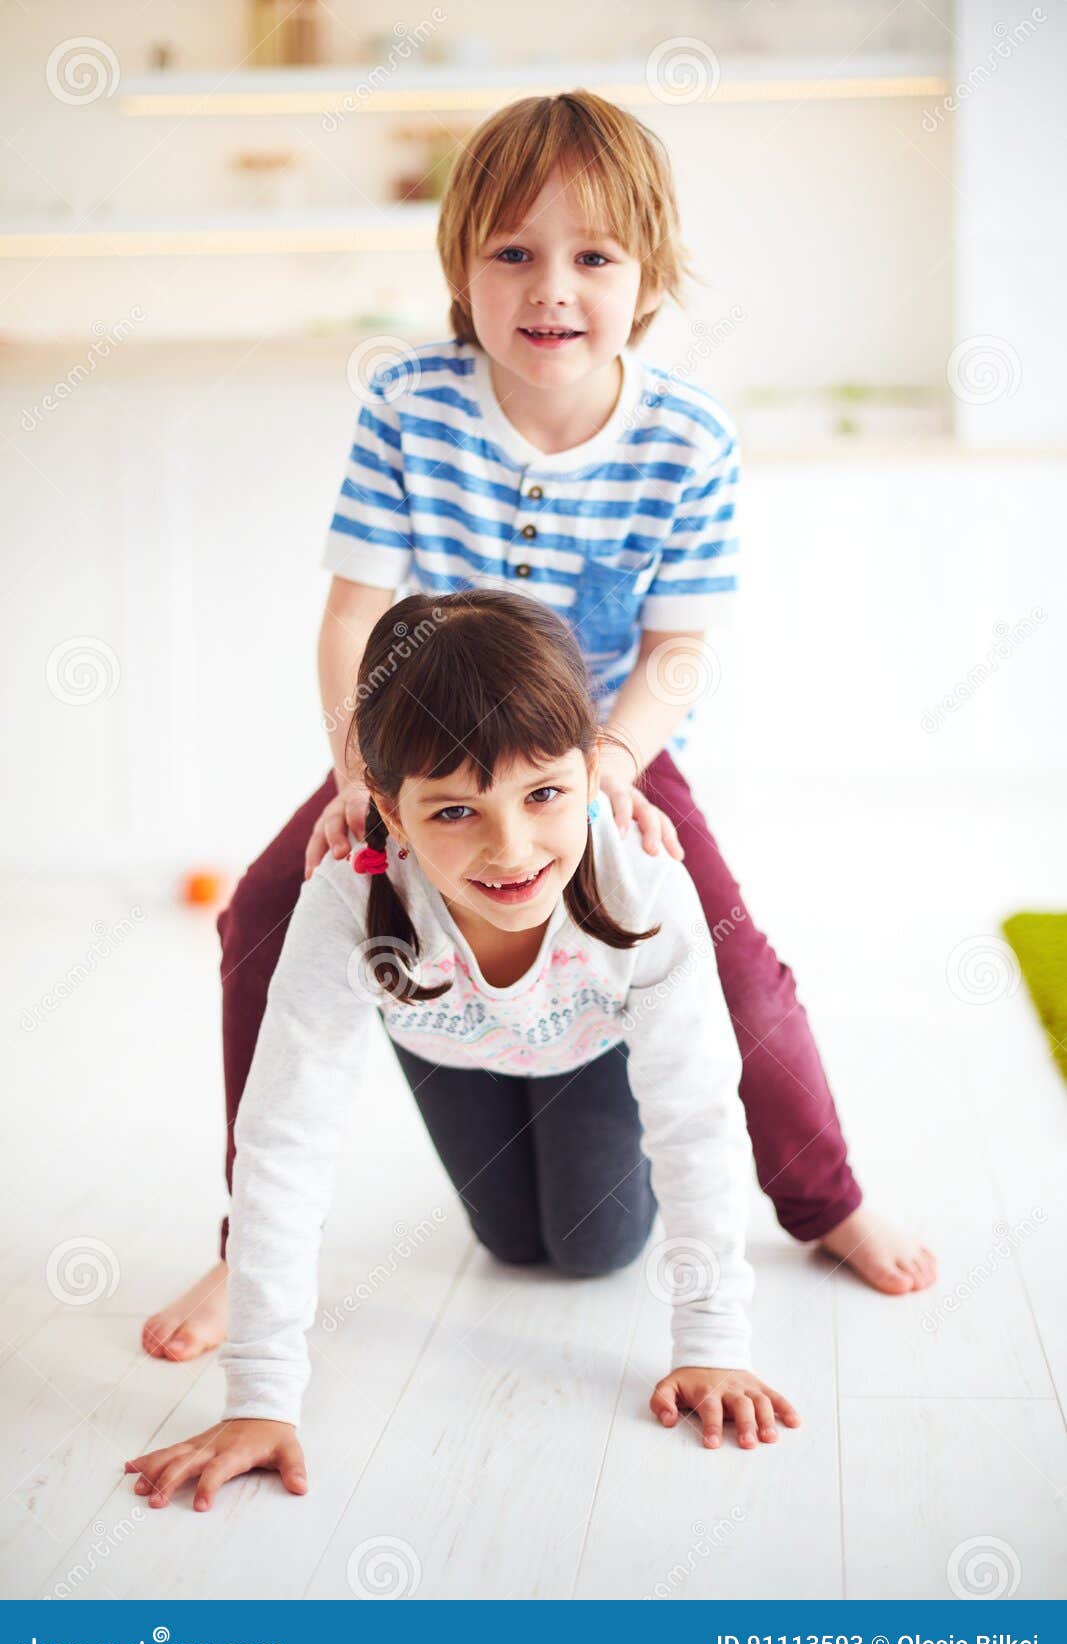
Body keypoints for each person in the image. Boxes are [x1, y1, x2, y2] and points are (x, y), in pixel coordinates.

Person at [141, 88, 933, 1370]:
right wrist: (360, 773)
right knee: (259, 917)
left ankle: (824, 1196)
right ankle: (247, 1246)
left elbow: (676, 649)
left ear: (649, 277)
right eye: (510, 251)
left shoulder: (686, 438)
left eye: (591, 256)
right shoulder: (410, 402)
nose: (548, 286)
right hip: (425, 748)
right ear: (459, 267)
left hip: (605, 747)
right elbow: (351, 620)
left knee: (728, 953)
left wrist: (613, 766)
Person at [126, 590, 802, 1511]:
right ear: (388, 815)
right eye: (453, 813)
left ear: (593, 769)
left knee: (587, 1248)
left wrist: (713, 1344)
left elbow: (696, 1120)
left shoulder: (643, 886)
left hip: (591, 1051)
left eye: (545, 794)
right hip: (453, 1045)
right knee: (510, 1242)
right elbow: (284, 1143)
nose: (512, 847)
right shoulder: (343, 902)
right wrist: (260, 1399)